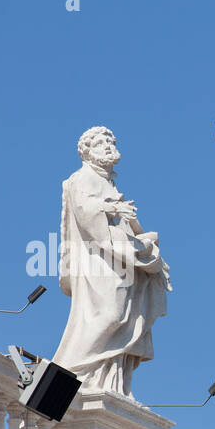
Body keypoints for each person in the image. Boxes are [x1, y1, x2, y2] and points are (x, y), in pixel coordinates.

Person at [52, 127, 170, 396]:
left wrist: (145, 245)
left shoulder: (109, 183)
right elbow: (85, 214)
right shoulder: (81, 178)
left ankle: (107, 385)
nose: (108, 146)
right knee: (108, 316)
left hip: (118, 263)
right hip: (98, 263)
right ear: (86, 151)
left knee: (123, 319)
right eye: (100, 143)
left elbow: (122, 225)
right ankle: (67, 375)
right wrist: (112, 209)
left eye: (110, 141)